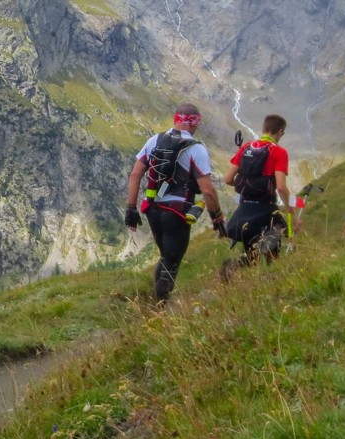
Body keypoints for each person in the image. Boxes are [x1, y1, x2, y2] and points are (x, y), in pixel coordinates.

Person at [124, 104, 226, 304]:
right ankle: (161, 308)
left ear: (175, 119)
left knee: (165, 256)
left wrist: (130, 208)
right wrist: (217, 217)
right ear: (196, 122)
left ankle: (155, 303)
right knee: (172, 261)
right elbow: (208, 190)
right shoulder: (196, 149)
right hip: (177, 213)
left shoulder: (154, 140)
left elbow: (135, 174)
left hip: (152, 210)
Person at [220, 114, 294, 280]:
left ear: (263, 129)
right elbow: (281, 186)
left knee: (251, 252)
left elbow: (227, 179)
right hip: (267, 208)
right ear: (281, 131)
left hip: (245, 208)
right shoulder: (279, 152)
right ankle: (271, 283)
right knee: (272, 253)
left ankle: (234, 268)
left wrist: (245, 187)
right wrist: (290, 208)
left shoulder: (246, 147)